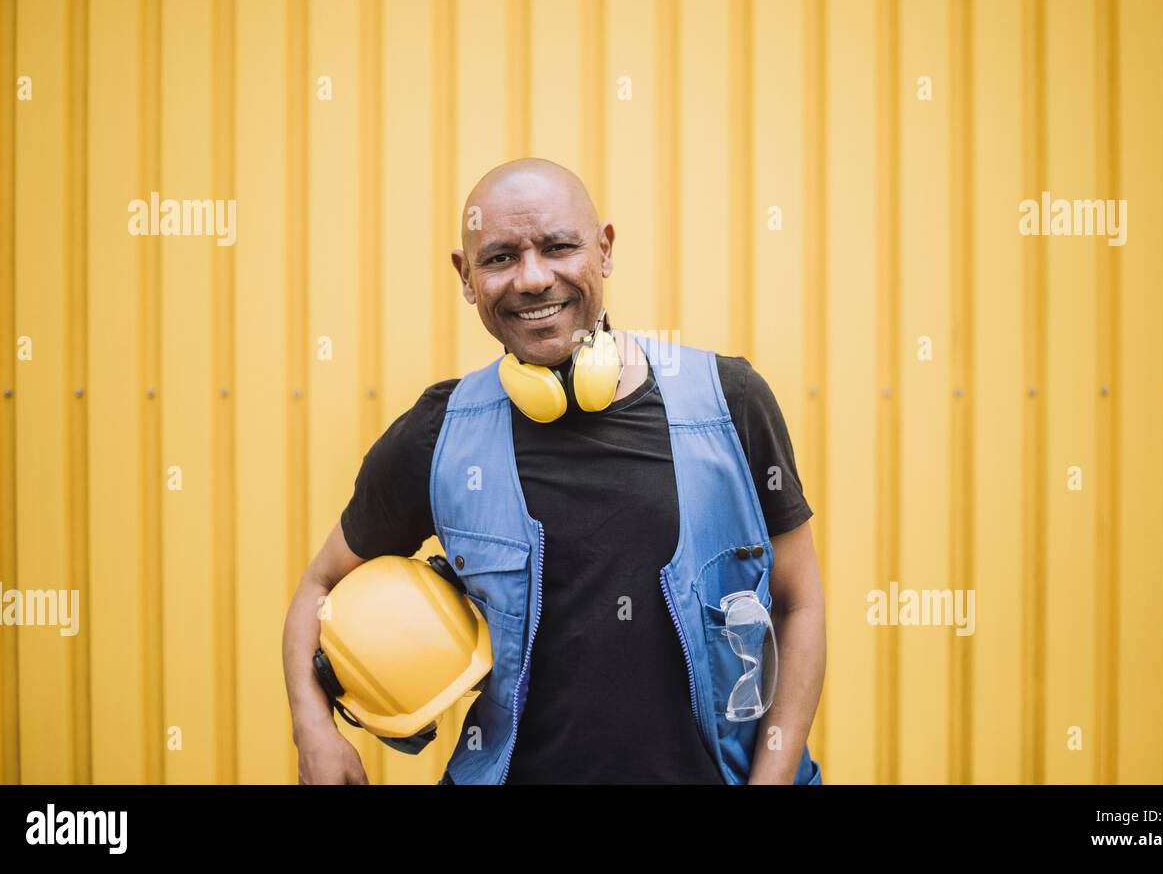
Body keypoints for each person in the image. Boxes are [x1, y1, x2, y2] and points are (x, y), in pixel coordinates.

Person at [281, 157, 825, 784]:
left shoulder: (730, 402)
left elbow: (798, 602)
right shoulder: (438, 434)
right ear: (465, 276)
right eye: (500, 257)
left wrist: (773, 779)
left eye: (559, 247)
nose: (533, 279)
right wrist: (313, 728)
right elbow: (318, 589)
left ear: (605, 249)